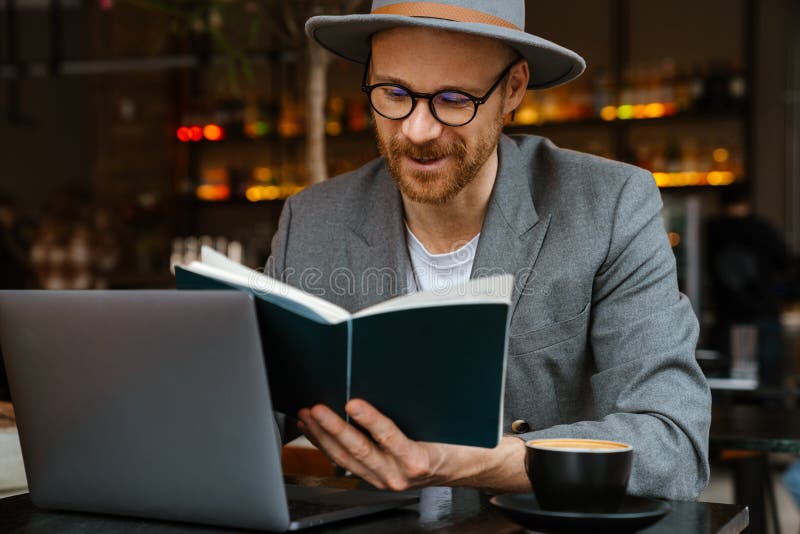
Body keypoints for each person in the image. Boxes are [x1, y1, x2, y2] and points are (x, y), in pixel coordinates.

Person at [266, 0, 710, 499]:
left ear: (514, 88)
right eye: (393, 93)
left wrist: (489, 461)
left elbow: (673, 448)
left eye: (454, 98)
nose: (417, 130)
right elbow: (249, 418)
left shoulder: (608, 206)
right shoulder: (312, 219)